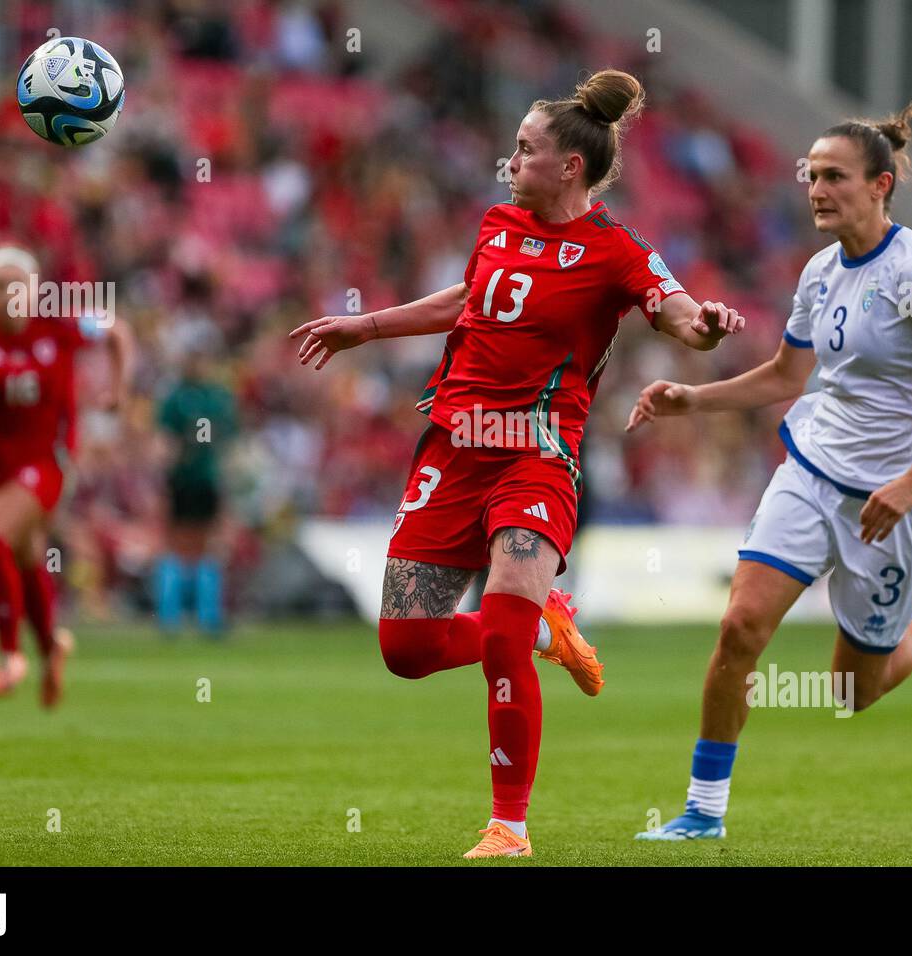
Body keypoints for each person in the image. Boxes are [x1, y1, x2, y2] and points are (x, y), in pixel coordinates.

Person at [290, 69, 745, 858]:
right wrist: (365, 328)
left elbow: (677, 315)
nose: (511, 160)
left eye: (525, 149)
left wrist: (706, 324)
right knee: (406, 650)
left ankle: (509, 824)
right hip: (452, 449)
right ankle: (546, 630)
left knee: (501, 624)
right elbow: (467, 300)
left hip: (537, 456)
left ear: (569, 167)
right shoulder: (498, 222)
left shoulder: (615, 250)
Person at [627, 102, 912, 841]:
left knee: (849, 693)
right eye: (811, 175)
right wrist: (691, 399)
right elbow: (784, 376)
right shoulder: (819, 271)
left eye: (834, 176)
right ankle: (704, 812)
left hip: (899, 501)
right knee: (739, 626)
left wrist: (910, 481)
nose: (816, 188)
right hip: (813, 471)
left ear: (880, 186)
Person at [0, 245, 132, 707]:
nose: (9, 294)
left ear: (35, 290)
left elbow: (118, 330)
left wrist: (118, 392)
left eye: (18, 284)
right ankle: (51, 644)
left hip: (47, 464)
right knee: (26, 557)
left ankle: (9, 653)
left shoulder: (59, 327)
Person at [154, 327, 239, 635]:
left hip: (207, 478)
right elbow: (165, 442)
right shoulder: (178, 396)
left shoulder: (216, 396)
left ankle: (205, 616)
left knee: (208, 543)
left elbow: (227, 443)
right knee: (178, 541)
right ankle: (172, 616)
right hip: (184, 479)